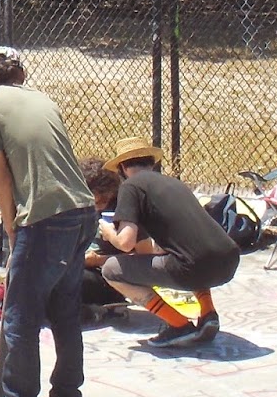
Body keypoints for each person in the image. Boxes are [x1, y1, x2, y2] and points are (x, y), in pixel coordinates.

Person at [0, 46, 99, 397]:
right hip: (83, 212)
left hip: (44, 218)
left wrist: (11, 227)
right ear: (20, 76)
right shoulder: (44, 100)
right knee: (63, 312)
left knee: (20, 316)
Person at [98, 136, 241, 349]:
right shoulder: (174, 183)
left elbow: (126, 243)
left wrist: (109, 232)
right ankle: (208, 312)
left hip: (194, 267)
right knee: (189, 253)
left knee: (111, 269)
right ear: (152, 162)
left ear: (122, 168)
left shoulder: (131, 186)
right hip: (229, 260)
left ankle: (178, 324)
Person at [79, 157, 127, 318]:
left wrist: (99, 260)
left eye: (103, 199)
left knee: (71, 281)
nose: (98, 204)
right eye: (93, 199)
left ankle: (97, 311)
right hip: (78, 265)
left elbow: (141, 257)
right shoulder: (77, 207)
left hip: (105, 274)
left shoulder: (122, 210)